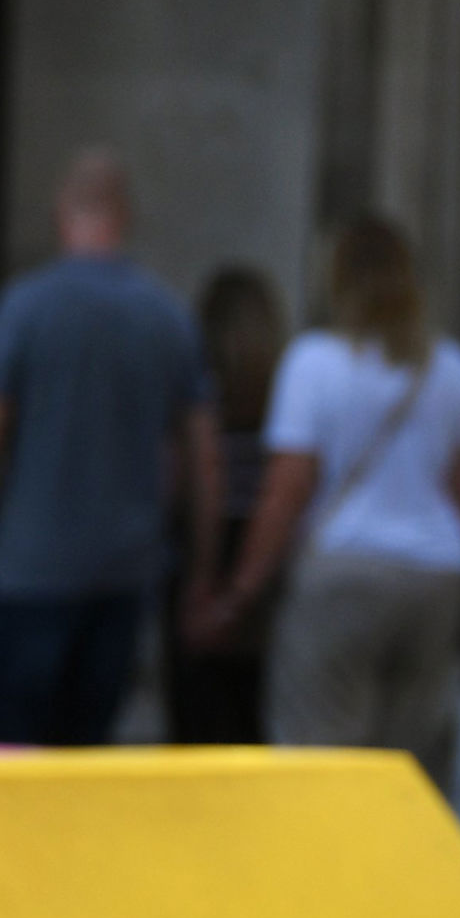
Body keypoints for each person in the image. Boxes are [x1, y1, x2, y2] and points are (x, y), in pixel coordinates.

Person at [0, 149, 216, 746]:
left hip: (31, 571)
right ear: (124, 216)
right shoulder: (167, 315)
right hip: (124, 571)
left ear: (61, 216)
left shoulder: (25, 307)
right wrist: (202, 572)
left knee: (11, 756)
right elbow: (202, 460)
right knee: (88, 757)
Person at [197, 214, 460, 769]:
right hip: (435, 577)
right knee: (407, 765)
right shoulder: (451, 368)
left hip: (344, 571)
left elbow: (285, 493)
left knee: (319, 755)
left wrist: (241, 591)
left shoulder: (314, 363)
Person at [170, 265, 292, 745]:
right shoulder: (284, 393)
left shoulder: (198, 395)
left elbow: (192, 480)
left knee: (197, 712)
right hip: (262, 552)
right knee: (252, 711)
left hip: (205, 542)